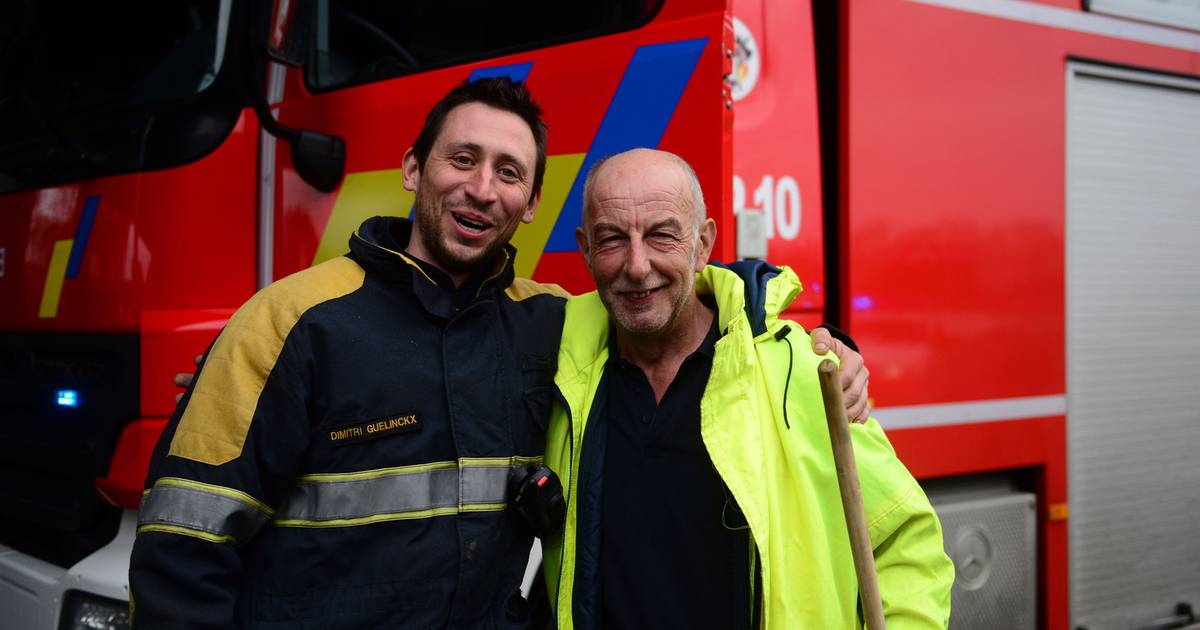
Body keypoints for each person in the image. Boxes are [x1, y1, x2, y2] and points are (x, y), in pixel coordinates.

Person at [135, 79, 869, 628]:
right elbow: (183, 544)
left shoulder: (551, 324)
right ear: (414, 169)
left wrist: (821, 348)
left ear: (529, 203)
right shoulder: (291, 321)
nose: (482, 189)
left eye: (509, 173)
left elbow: (687, 308)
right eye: (462, 159)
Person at [541, 149, 954, 629]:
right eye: (613, 238)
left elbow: (906, 540)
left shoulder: (798, 372)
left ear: (703, 244)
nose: (637, 265)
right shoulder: (552, 375)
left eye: (662, 235)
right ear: (585, 249)